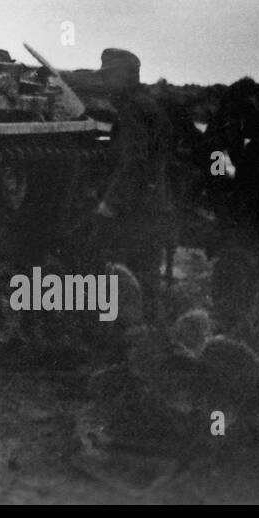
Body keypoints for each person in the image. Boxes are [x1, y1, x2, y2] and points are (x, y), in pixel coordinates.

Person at [92, 48, 174, 319]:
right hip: (154, 205)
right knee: (147, 276)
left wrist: (109, 204)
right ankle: (152, 337)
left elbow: (134, 162)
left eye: (109, 76)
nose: (105, 83)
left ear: (126, 76)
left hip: (137, 209)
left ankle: (131, 339)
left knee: (129, 276)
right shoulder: (149, 105)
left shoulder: (132, 110)